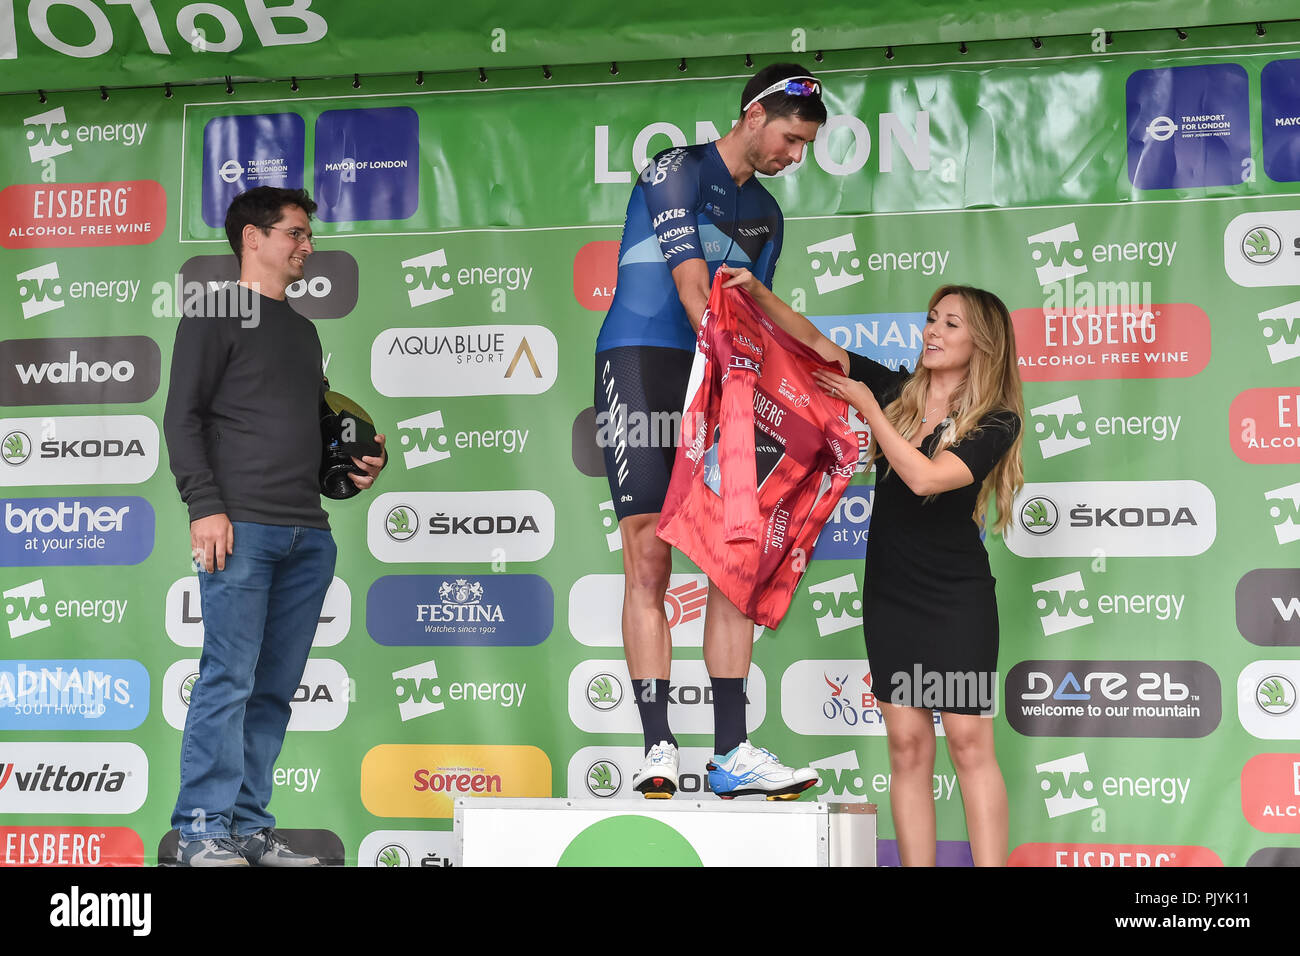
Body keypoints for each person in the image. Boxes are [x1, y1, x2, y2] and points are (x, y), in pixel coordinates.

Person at [720, 268, 1024, 864]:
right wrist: (757, 295)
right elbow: (818, 347)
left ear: (981, 344)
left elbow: (926, 478)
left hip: (955, 600)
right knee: (908, 746)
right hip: (892, 596)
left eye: (950, 323)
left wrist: (868, 410)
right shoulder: (898, 390)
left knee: (967, 742)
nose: (932, 331)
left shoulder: (996, 420)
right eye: (932, 319)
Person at [593, 64, 827, 798]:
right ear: (753, 115)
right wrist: (726, 369)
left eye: (806, 147)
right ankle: (657, 746)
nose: (796, 157)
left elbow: (754, 310)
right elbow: (694, 285)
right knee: (647, 557)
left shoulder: (770, 215)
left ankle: (732, 751)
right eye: (790, 138)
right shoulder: (676, 169)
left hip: (723, 372)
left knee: (734, 559)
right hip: (644, 362)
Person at [163, 186, 386, 866]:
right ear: (252, 239)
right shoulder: (213, 312)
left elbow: (308, 435)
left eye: (307, 234)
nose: (306, 245)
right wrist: (205, 505)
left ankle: (249, 827)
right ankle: (201, 829)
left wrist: (350, 469)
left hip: (307, 535)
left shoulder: (304, 330)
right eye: (294, 232)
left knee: (272, 692)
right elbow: (183, 417)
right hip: (241, 529)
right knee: (227, 679)